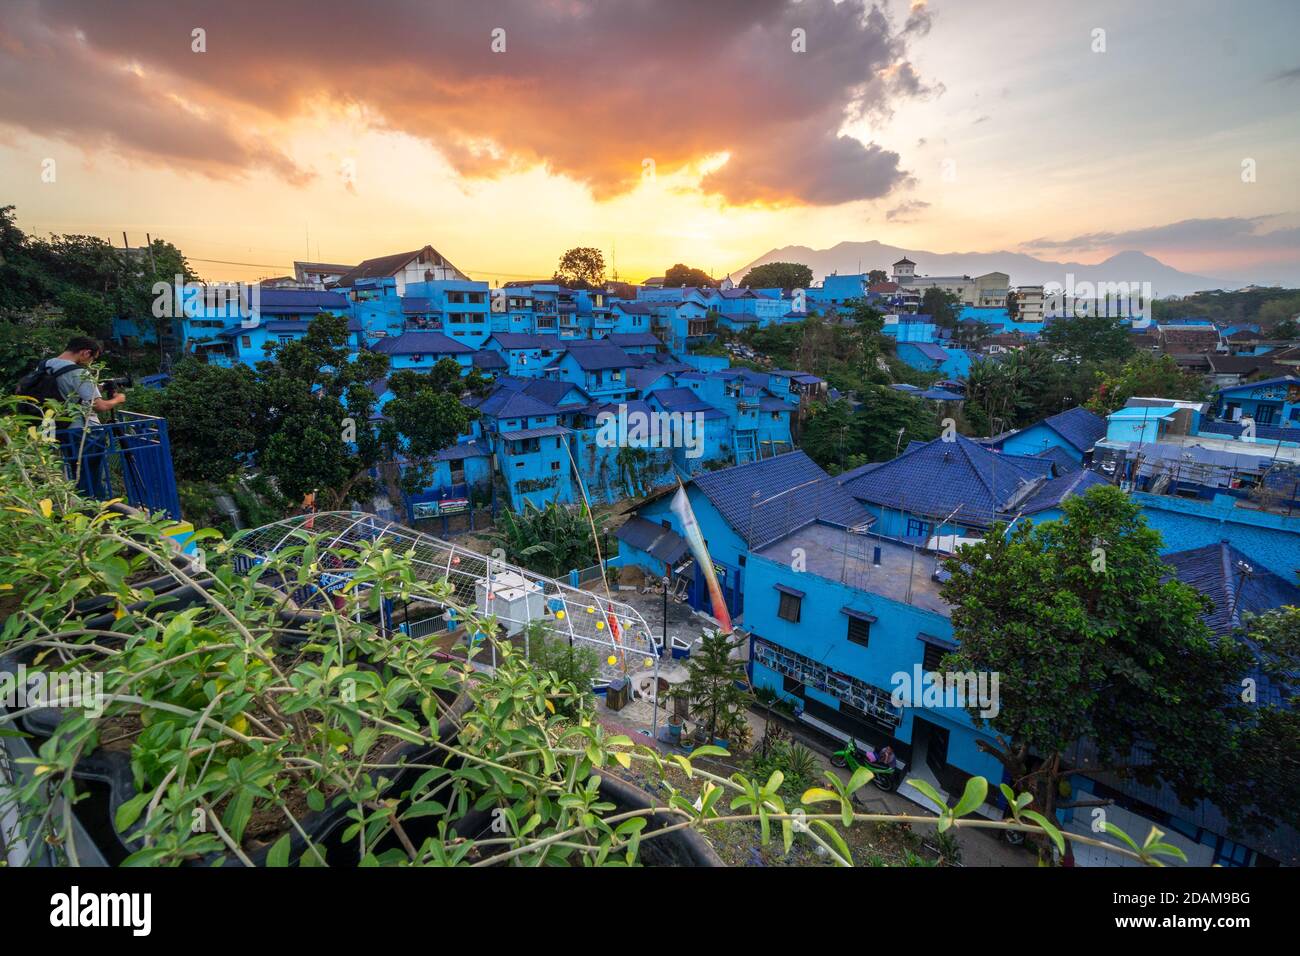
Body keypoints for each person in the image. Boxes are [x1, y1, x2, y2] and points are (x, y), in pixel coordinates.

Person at [27, 337, 126, 498]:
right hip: (80, 433)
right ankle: (93, 508)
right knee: (90, 474)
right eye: (92, 358)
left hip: (51, 428)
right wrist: (117, 399)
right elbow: (99, 406)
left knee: (64, 470)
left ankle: (69, 504)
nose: (90, 362)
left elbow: (63, 390)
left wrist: (97, 387)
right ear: (85, 353)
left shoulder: (45, 365)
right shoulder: (78, 372)